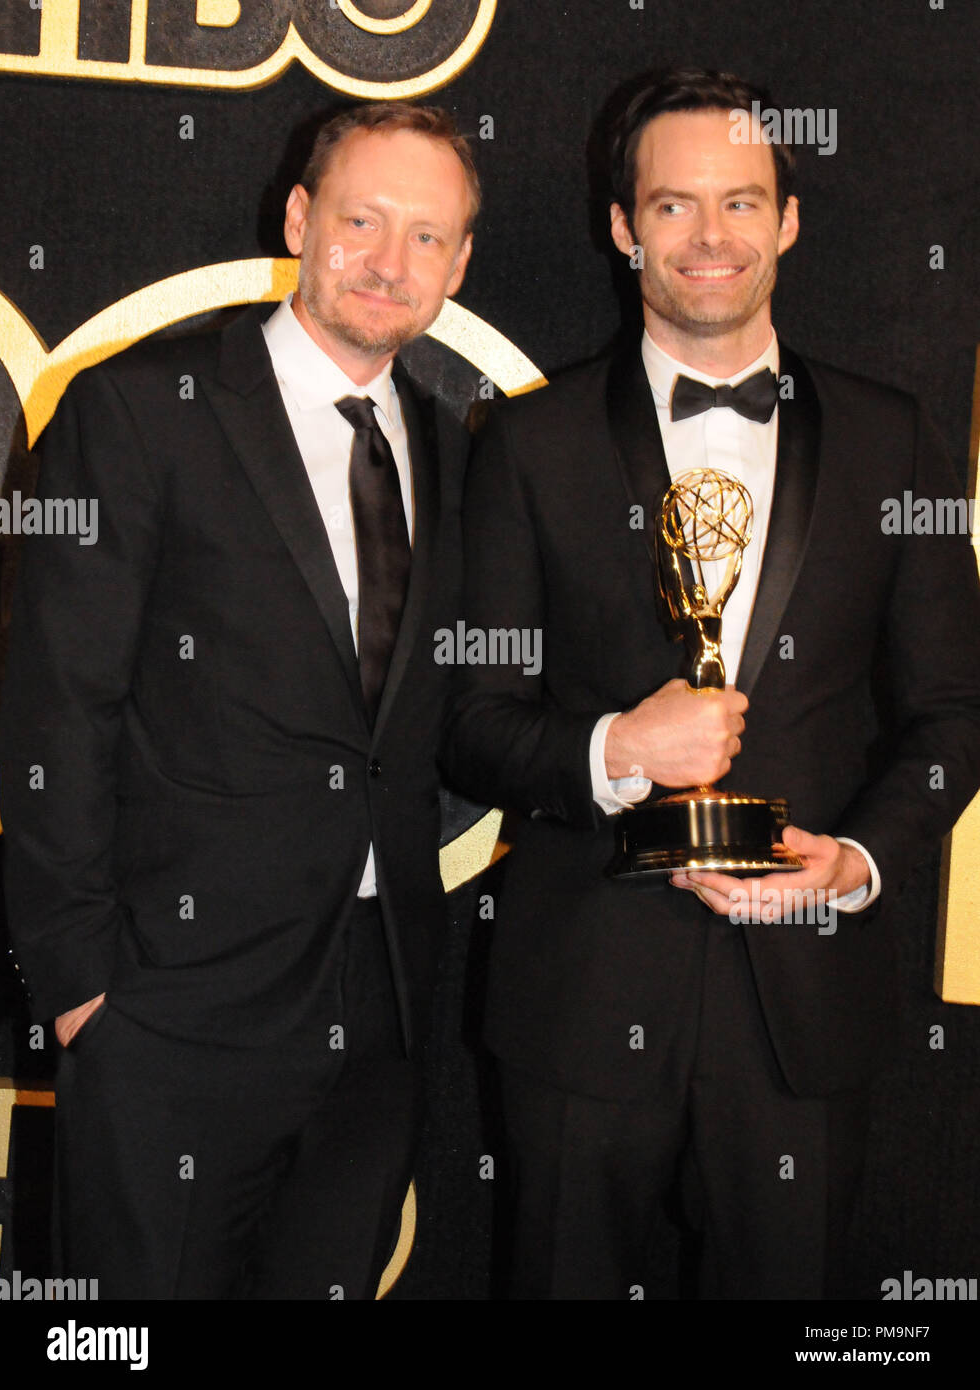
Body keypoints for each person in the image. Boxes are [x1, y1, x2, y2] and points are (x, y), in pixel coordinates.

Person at [440, 67, 980, 1299]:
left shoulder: (891, 438)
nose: (708, 236)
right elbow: (470, 723)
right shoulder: (527, 443)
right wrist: (616, 748)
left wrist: (856, 860)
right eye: (671, 205)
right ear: (621, 228)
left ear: (786, 220)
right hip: (580, 994)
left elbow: (953, 711)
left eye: (739, 202)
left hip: (804, 1000)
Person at [0, 101, 476, 1299]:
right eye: (361, 220)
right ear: (299, 218)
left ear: (459, 264)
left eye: (425, 236)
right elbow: (57, 706)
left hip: (380, 1004)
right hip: (169, 1004)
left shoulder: (454, 448)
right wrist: (81, 988)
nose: (388, 260)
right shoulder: (137, 407)